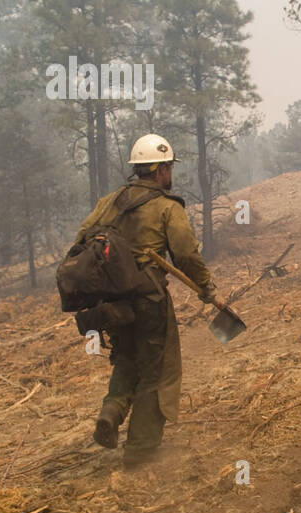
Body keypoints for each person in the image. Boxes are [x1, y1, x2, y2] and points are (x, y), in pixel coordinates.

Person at [76, 134, 224, 464]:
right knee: (156, 371)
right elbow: (185, 253)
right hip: (148, 301)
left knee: (127, 360)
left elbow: (81, 239)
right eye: (169, 167)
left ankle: (111, 412)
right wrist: (205, 286)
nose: (171, 173)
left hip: (112, 305)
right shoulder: (167, 207)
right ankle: (140, 449)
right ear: (160, 170)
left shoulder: (108, 202)